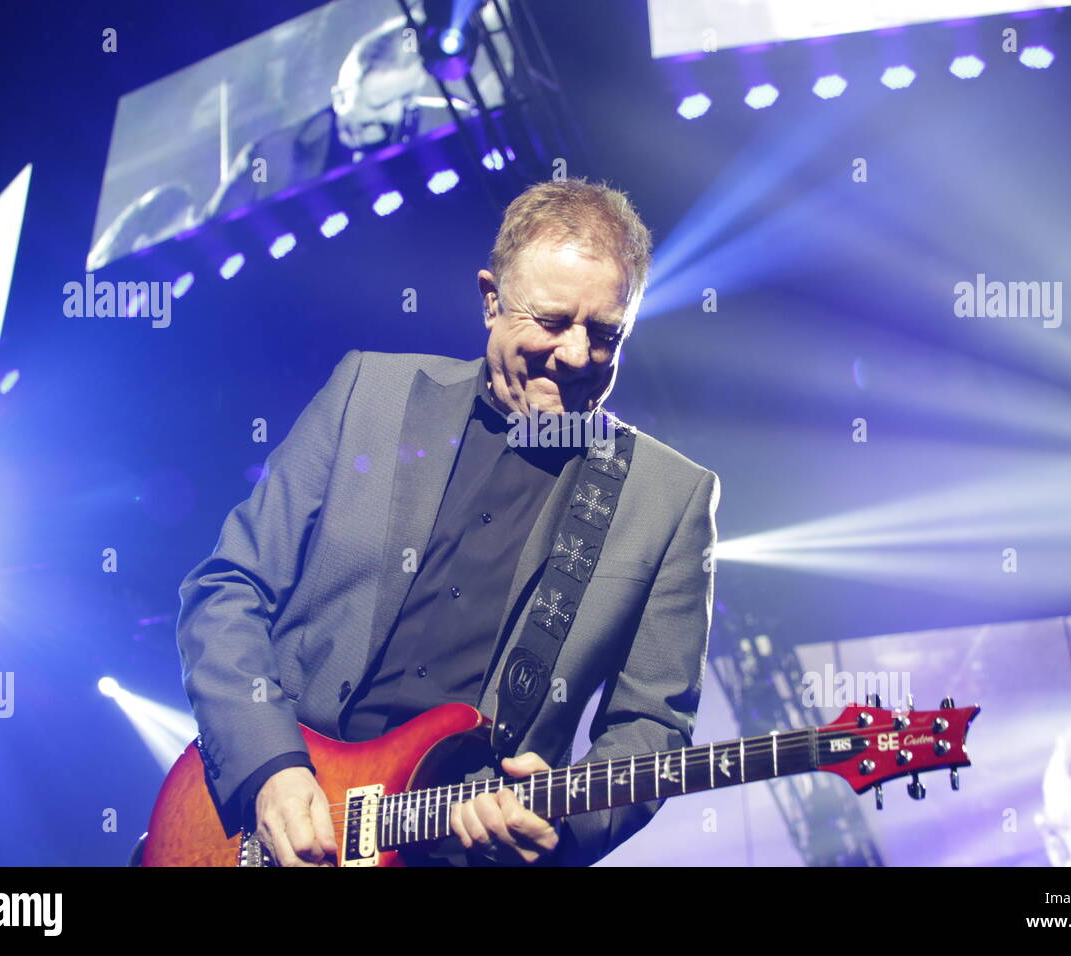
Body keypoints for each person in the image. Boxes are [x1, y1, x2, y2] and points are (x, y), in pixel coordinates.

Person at [176, 177, 720, 866]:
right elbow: (227, 590)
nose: (579, 356)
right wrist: (270, 768)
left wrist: (561, 826)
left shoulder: (669, 496)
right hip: (269, 825)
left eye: (606, 334)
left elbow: (652, 725)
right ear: (490, 300)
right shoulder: (366, 392)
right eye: (552, 322)